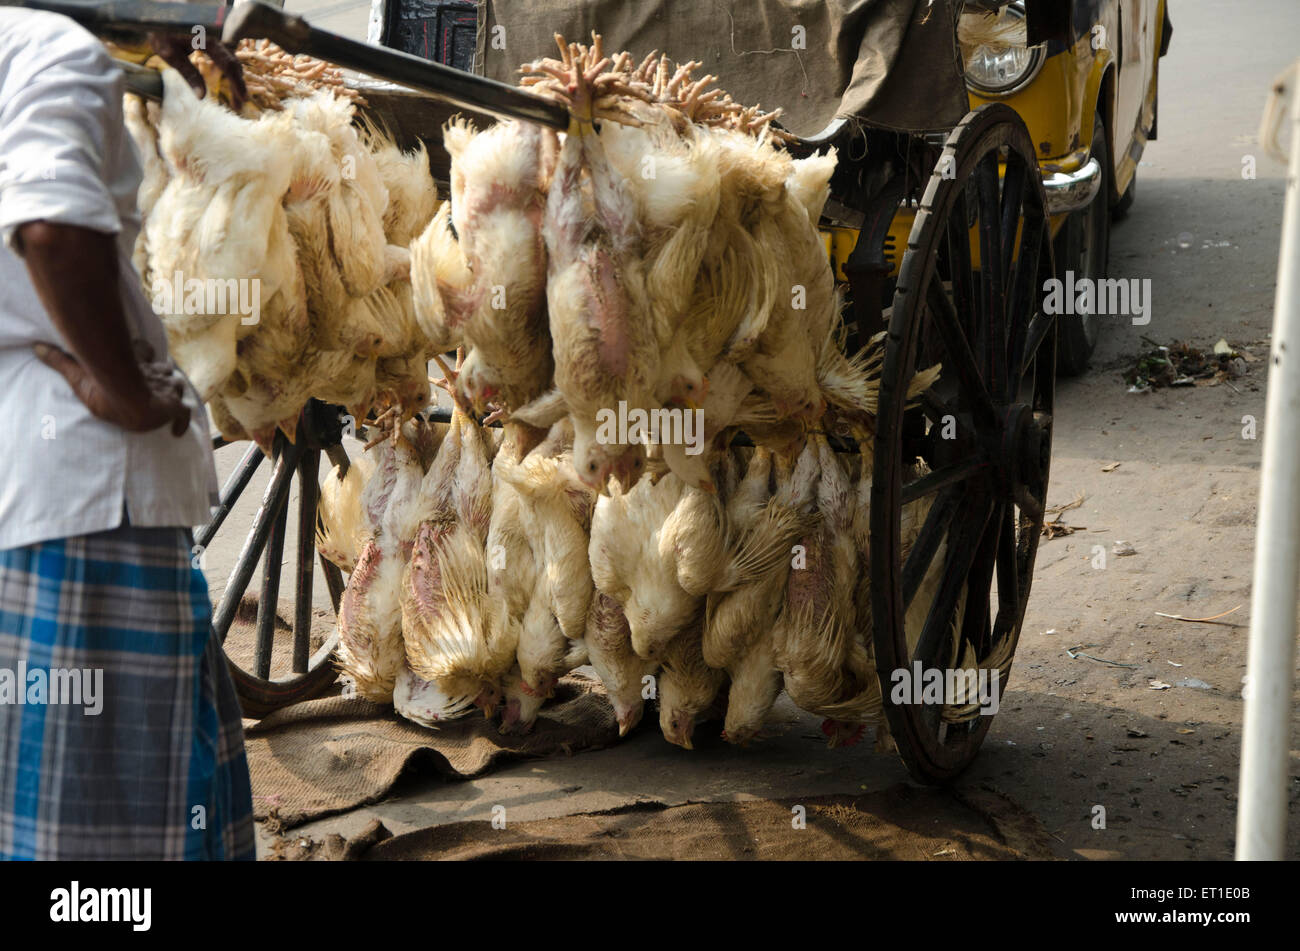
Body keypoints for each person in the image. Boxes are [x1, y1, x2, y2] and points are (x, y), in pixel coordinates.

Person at [0, 9, 254, 860]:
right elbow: (52, 226)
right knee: (111, 829)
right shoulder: (51, 50)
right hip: (89, 510)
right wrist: (130, 394)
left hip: (32, 492)